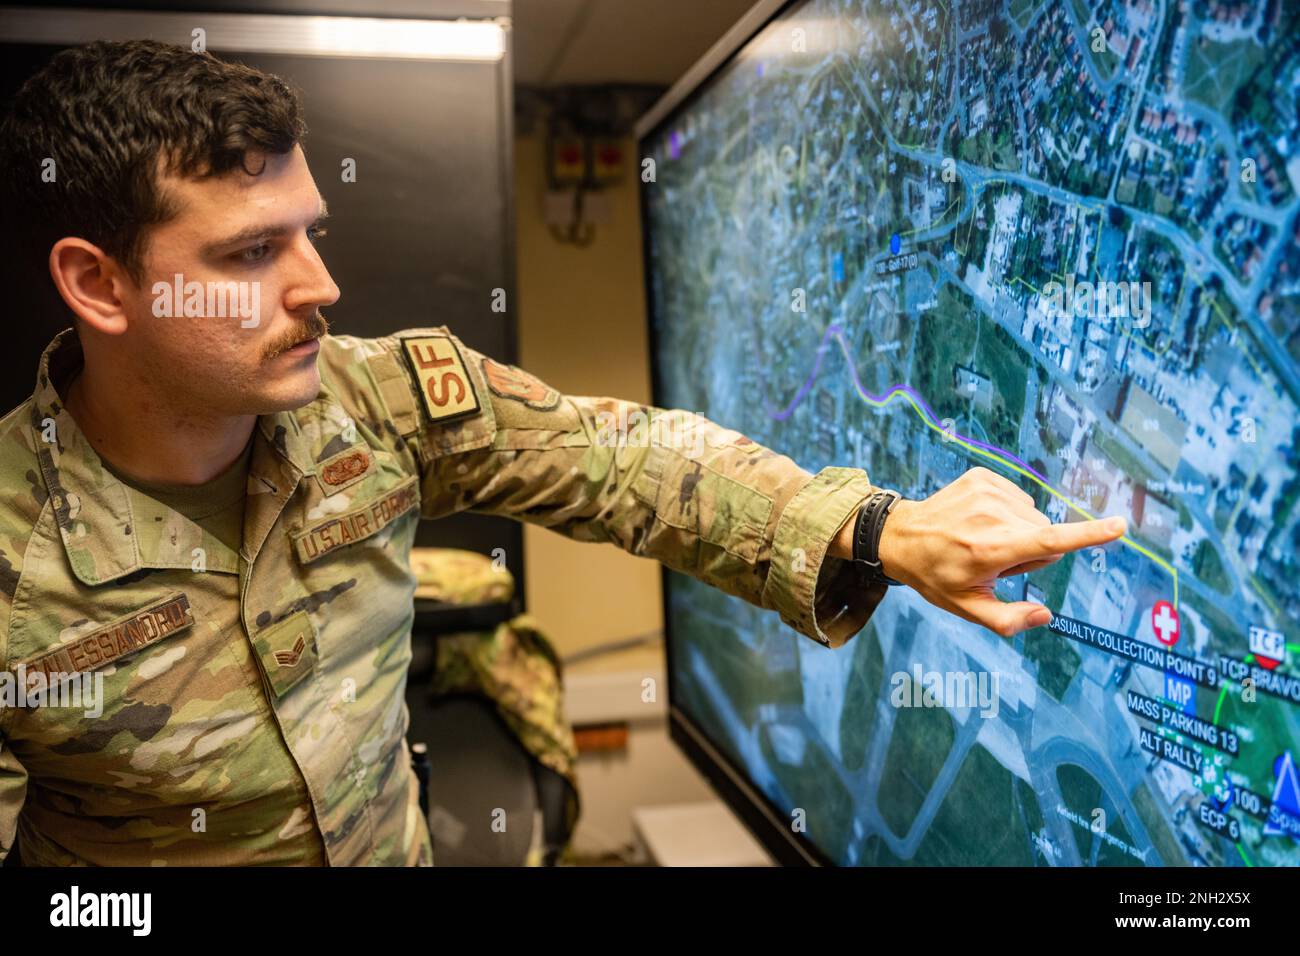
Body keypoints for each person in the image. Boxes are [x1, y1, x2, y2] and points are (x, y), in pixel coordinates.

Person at [0, 40, 1125, 865]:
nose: (321, 287)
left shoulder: (380, 400)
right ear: (99, 282)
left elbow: (620, 458)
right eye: (252, 252)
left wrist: (880, 529)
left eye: (311, 233)